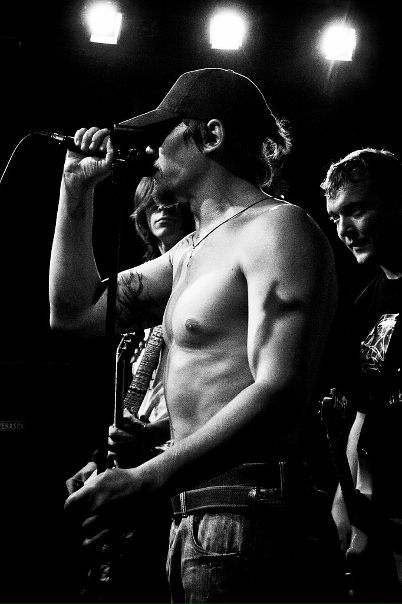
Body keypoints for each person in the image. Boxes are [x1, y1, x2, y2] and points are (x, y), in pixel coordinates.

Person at [50, 67, 345, 602]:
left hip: (251, 512)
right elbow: (75, 313)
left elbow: (280, 390)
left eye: (163, 133)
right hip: (196, 516)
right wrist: (76, 191)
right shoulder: (189, 252)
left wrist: (146, 477)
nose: (149, 150)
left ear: (210, 135)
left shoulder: (276, 228)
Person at [66, 175, 194, 602]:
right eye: (152, 201)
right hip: (136, 464)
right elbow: (137, 399)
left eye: (170, 198)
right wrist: (100, 459)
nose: (163, 207)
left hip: (181, 469)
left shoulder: (204, 285)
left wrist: (153, 438)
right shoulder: (143, 300)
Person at [321, 147, 402, 601]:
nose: (344, 229)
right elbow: (361, 416)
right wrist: (346, 513)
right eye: (336, 217)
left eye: (356, 209)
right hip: (383, 524)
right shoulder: (364, 303)